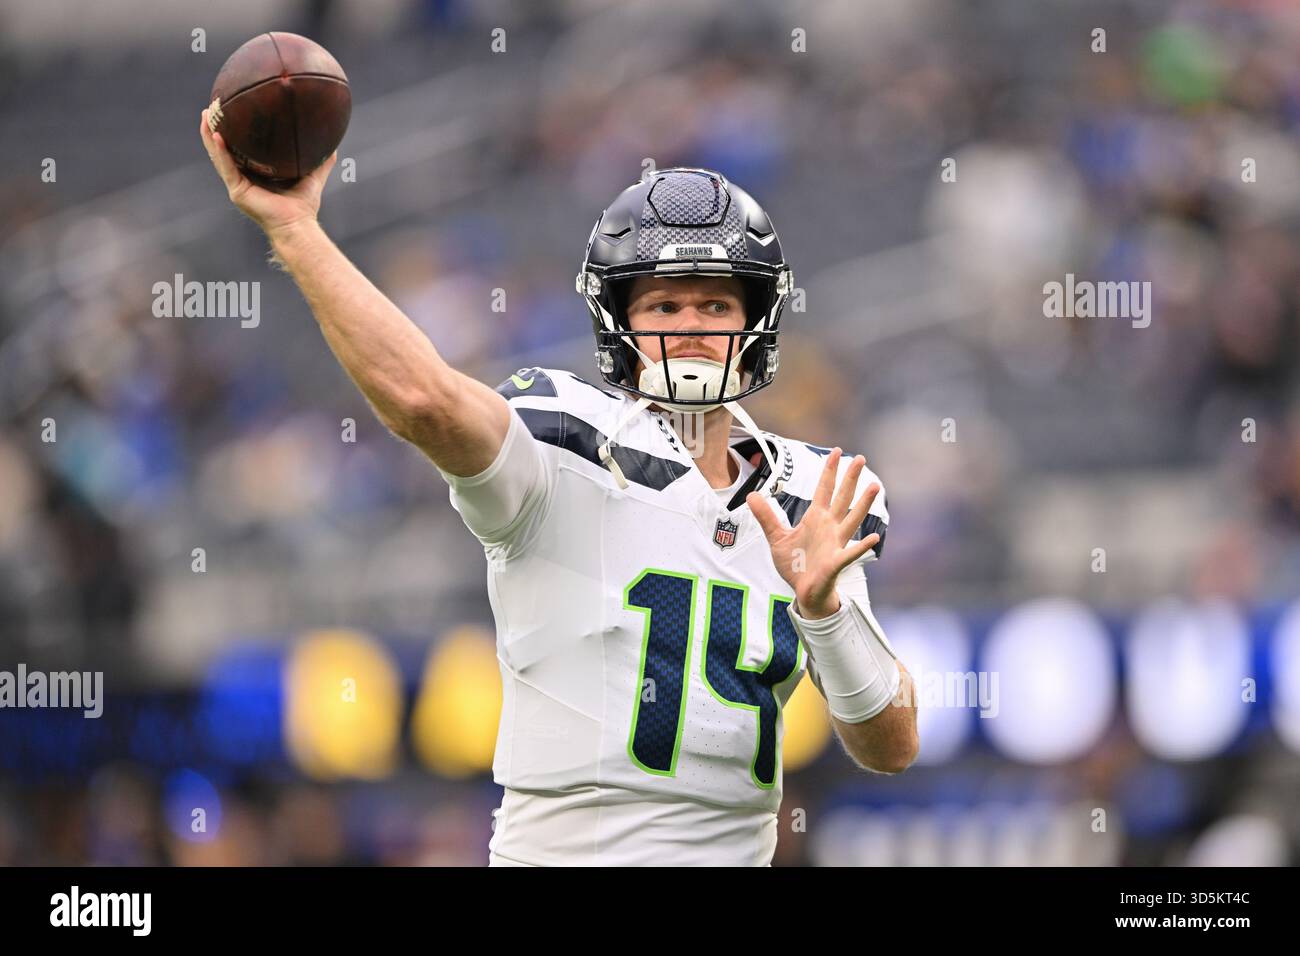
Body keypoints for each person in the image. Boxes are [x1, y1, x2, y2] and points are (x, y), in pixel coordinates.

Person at [200, 112, 919, 866]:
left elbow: (891, 746)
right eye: (663, 305)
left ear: (755, 321)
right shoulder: (565, 436)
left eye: (715, 304)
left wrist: (825, 615)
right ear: (621, 322)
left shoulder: (812, 492)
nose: (691, 328)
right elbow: (425, 401)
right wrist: (295, 231)